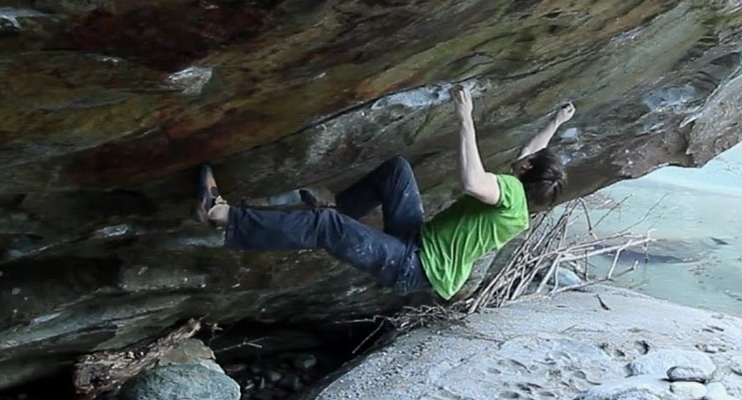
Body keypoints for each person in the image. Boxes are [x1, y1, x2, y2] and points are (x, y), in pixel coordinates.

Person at [195, 86, 574, 300]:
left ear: (526, 171)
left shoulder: (510, 191)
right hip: (418, 242)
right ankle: (335, 209)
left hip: (413, 265)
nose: (523, 158)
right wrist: (556, 121)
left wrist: (465, 117)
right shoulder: (523, 205)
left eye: (528, 161)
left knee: (325, 227)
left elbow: (473, 182)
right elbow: (531, 154)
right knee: (397, 171)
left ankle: (222, 216)